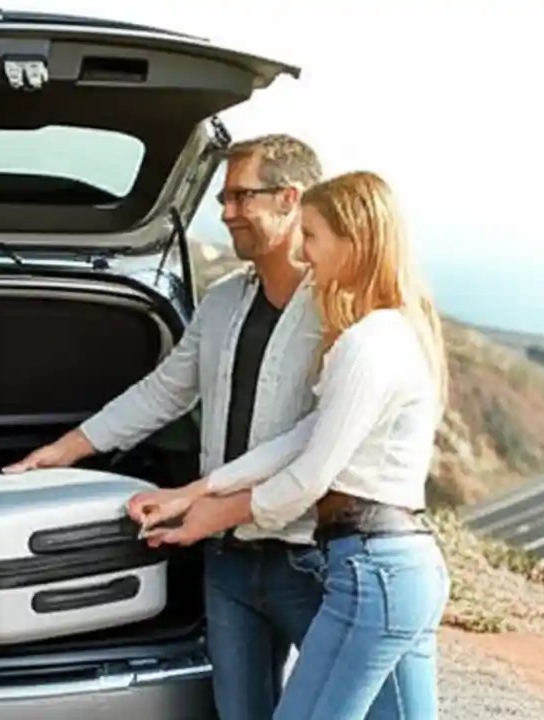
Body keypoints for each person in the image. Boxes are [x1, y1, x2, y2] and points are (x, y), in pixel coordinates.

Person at [2, 134, 329, 720]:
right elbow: (165, 391)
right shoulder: (225, 299)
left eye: (239, 197)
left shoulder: (337, 305)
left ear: (289, 198)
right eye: (223, 198)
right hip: (226, 558)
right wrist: (67, 449)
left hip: (308, 556)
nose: (225, 212)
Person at [133, 170, 452, 720]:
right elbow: (298, 438)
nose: (304, 255)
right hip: (407, 568)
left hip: (373, 571)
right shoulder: (399, 331)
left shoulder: (366, 343)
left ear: (355, 241)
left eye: (312, 237)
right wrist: (196, 489)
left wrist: (211, 515)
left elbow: (308, 476)